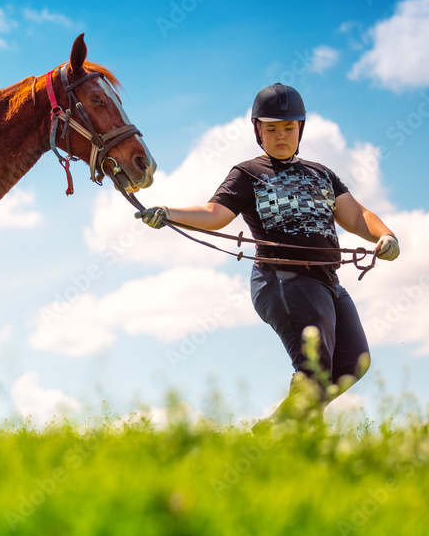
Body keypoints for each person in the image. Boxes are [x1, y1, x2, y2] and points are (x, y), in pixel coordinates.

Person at [140, 83, 400, 429]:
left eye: (289, 128)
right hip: (282, 279)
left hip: (328, 281)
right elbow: (214, 213)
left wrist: (385, 235)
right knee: (315, 367)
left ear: (300, 129)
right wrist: (169, 213)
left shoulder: (322, 174)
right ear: (258, 131)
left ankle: (276, 429)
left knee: (354, 363)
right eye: (272, 128)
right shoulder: (248, 173)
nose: (281, 136)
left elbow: (355, 215)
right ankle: (299, 443)